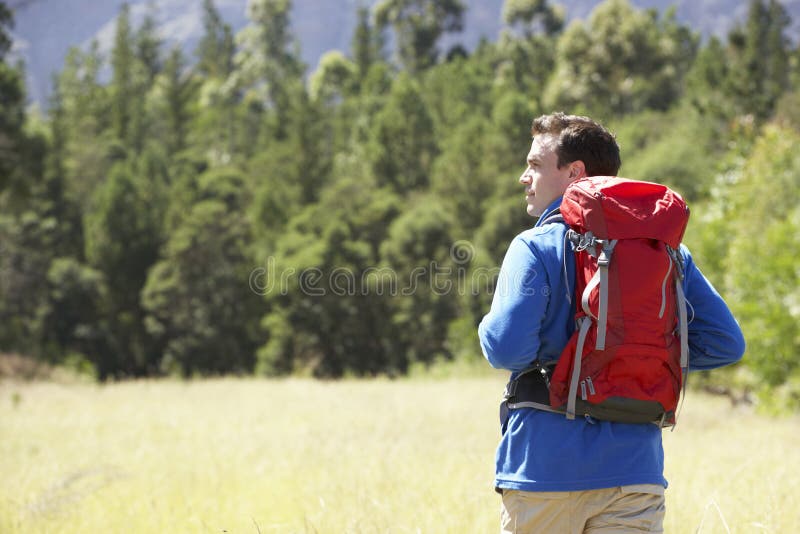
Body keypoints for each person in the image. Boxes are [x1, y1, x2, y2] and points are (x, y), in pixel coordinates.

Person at [478, 112, 745, 533]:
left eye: (534, 165)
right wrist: (641, 357)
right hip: (635, 475)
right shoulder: (667, 252)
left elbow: (505, 348)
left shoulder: (533, 246)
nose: (523, 177)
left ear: (574, 172)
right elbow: (726, 343)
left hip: (544, 472)